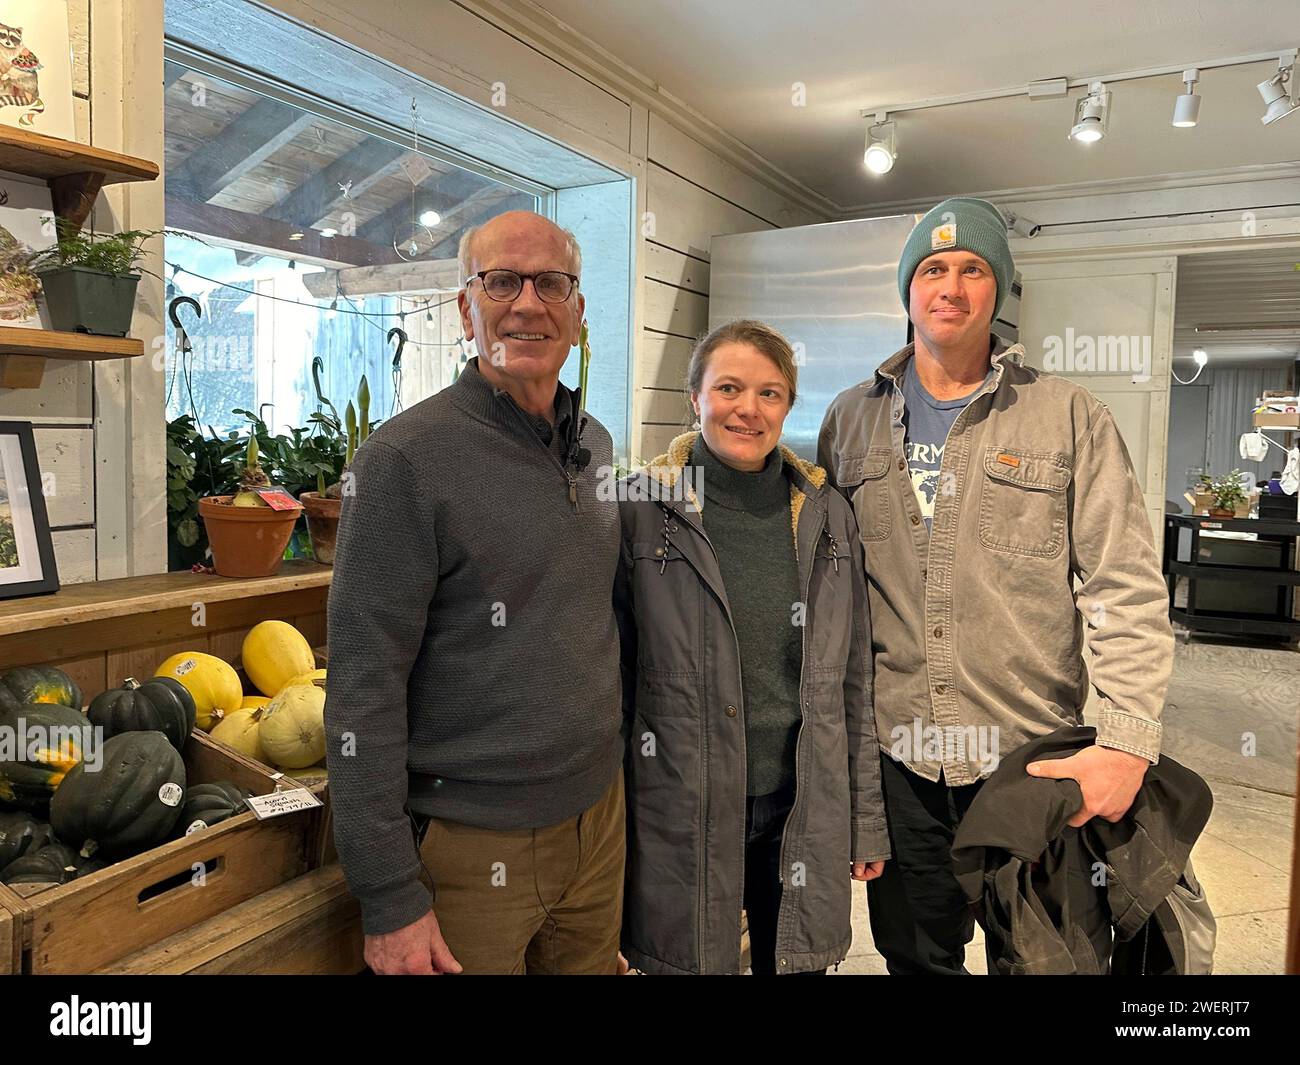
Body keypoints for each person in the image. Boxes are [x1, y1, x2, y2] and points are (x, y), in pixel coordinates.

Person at [818, 196, 1174, 975]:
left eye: (973, 269)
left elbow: (1126, 586)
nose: (951, 285)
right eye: (933, 268)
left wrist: (1125, 742)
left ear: (999, 289)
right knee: (917, 959)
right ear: (909, 289)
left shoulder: (1068, 416)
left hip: (1031, 760)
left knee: (1048, 962)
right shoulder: (848, 422)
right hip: (900, 759)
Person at [325, 210, 625, 975]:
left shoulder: (598, 447)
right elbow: (362, 686)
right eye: (501, 281)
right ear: (466, 307)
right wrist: (390, 892)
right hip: (467, 847)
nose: (528, 303)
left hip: (599, 824)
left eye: (551, 283)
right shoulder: (402, 459)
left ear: (578, 311)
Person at [615, 319, 889, 976]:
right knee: (689, 963)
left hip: (799, 799)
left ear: (789, 406)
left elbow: (854, 676)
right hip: (682, 797)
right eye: (729, 387)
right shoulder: (641, 509)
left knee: (795, 961)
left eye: (770, 393)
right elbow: (614, 675)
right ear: (696, 397)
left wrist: (866, 817)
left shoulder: (827, 514)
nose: (748, 408)